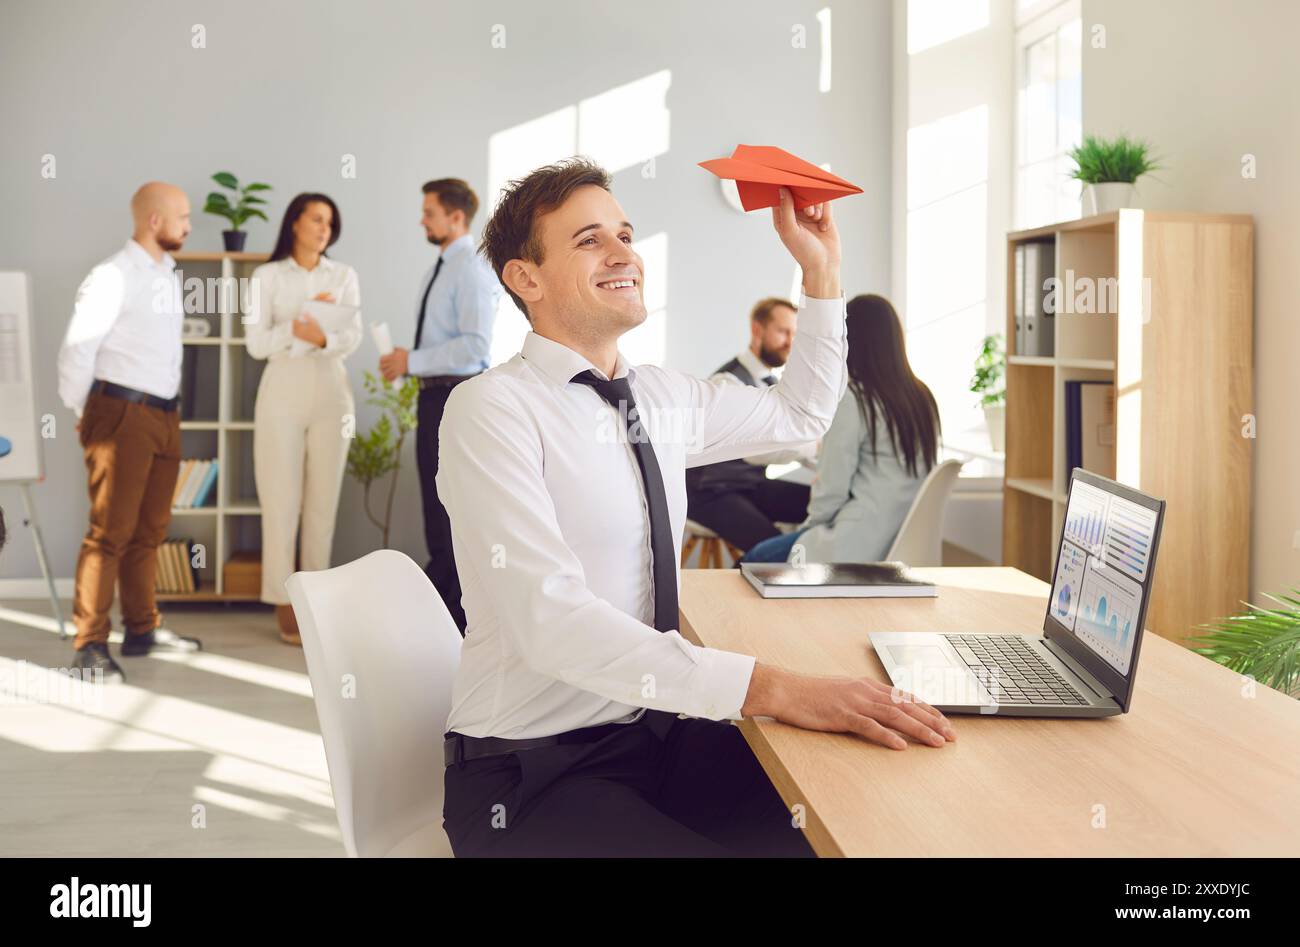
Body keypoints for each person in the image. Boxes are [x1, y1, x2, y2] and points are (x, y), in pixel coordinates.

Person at [436, 158, 956, 858]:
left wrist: (820, 271)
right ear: (525, 278)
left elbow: (802, 413)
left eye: (625, 234)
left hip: (656, 734)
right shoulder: (491, 409)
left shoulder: (661, 397)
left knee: (850, 813)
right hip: (532, 772)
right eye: (589, 239)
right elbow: (550, 622)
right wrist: (778, 688)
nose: (623, 253)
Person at [56, 182, 202, 683]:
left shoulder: (165, 274)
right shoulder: (113, 275)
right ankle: (89, 644)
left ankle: (142, 628)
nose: (189, 225)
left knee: (150, 530)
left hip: (163, 415)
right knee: (109, 533)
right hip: (120, 413)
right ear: (154, 221)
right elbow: (77, 350)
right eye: (182, 216)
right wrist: (87, 412)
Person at [379, 178, 500, 634]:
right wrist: (411, 365)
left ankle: (453, 620)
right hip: (434, 395)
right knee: (436, 505)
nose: (422, 221)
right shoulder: (445, 267)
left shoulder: (470, 269)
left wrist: (411, 361)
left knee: (450, 509)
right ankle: (441, 616)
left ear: (456, 217)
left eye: (429, 213)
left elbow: (475, 347)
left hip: (454, 395)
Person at [742, 294, 941, 565]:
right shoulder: (923, 397)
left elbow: (831, 490)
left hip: (857, 542)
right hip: (906, 542)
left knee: (756, 559)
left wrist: (806, 533)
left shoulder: (854, 398)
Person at [246, 193, 360, 645]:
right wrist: (299, 327)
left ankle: (315, 601)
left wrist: (322, 336)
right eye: (316, 219)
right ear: (294, 223)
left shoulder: (344, 275)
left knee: (322, 505)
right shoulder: (267, 276)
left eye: (329, 222)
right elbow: (256, 343)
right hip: (282, 389)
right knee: (281, 501)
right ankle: (283, 599)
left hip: (332, 389)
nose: (324, 228)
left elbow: (350, 337)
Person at [685, 296, 817, 551]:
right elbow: (758, 446)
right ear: (757, 330)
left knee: (820, 505)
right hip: (710, 492)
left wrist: (828, 468)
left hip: (750, 485)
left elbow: (791, 433)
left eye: (794, 334)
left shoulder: (774, 386)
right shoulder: (727, 383)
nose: (790, 342)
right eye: (783, 332)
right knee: (774, 549)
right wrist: (814, 447)